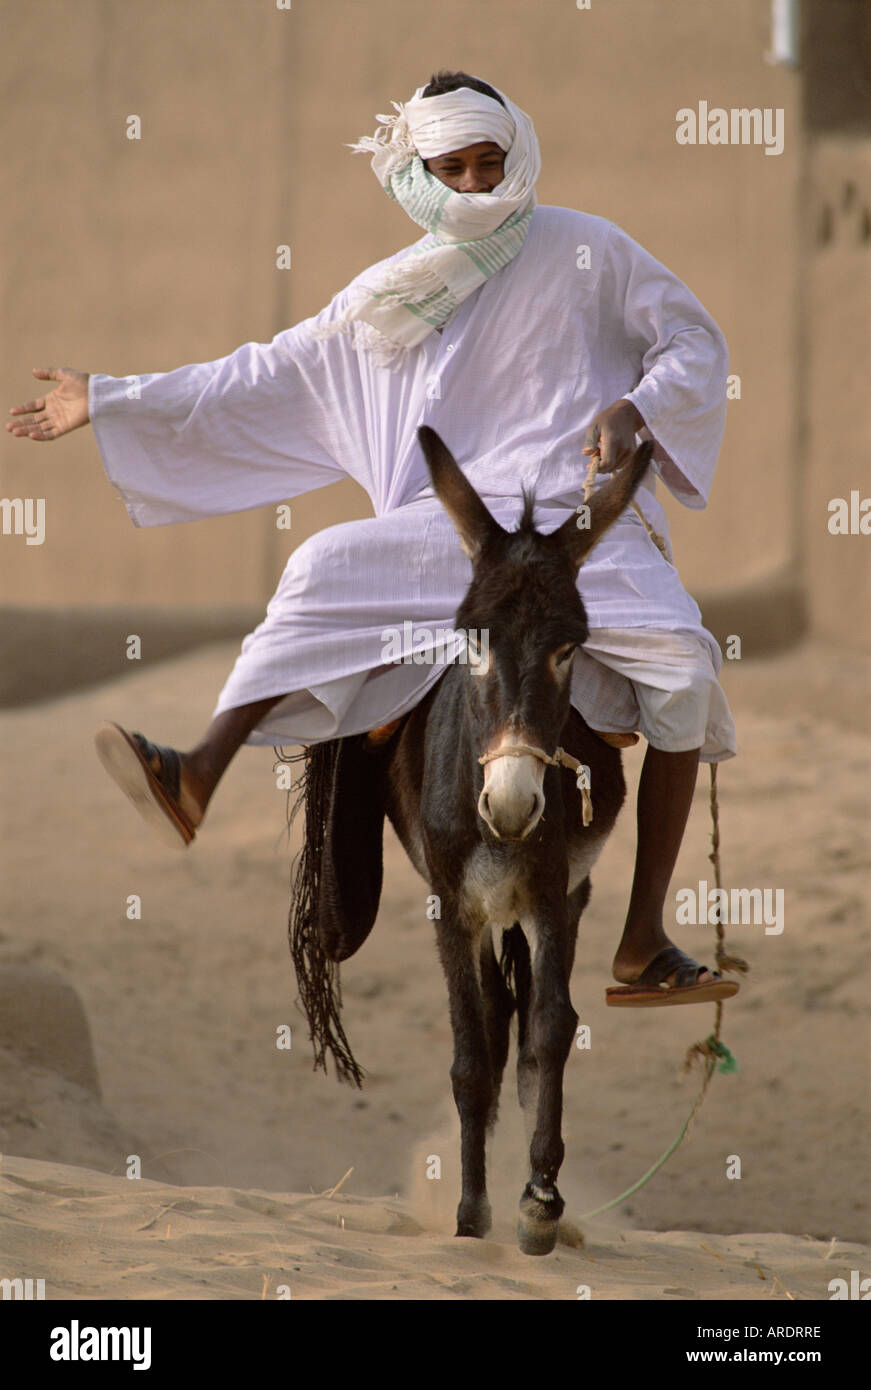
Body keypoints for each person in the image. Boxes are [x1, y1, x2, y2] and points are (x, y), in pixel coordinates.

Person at [7, 70, 739, 1008]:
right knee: (318, 564)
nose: (474, 185)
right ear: (417, 175)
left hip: (575, 530)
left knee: (683, 665)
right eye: (453, 168)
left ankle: (642, 939)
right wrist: (111, 398)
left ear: (516, 156)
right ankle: (196, 773)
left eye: (489, 163)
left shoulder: (588, 248)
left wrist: (636, 408)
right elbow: (260, 374)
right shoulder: (387, 295)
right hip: (448, 527)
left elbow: (693, 341)